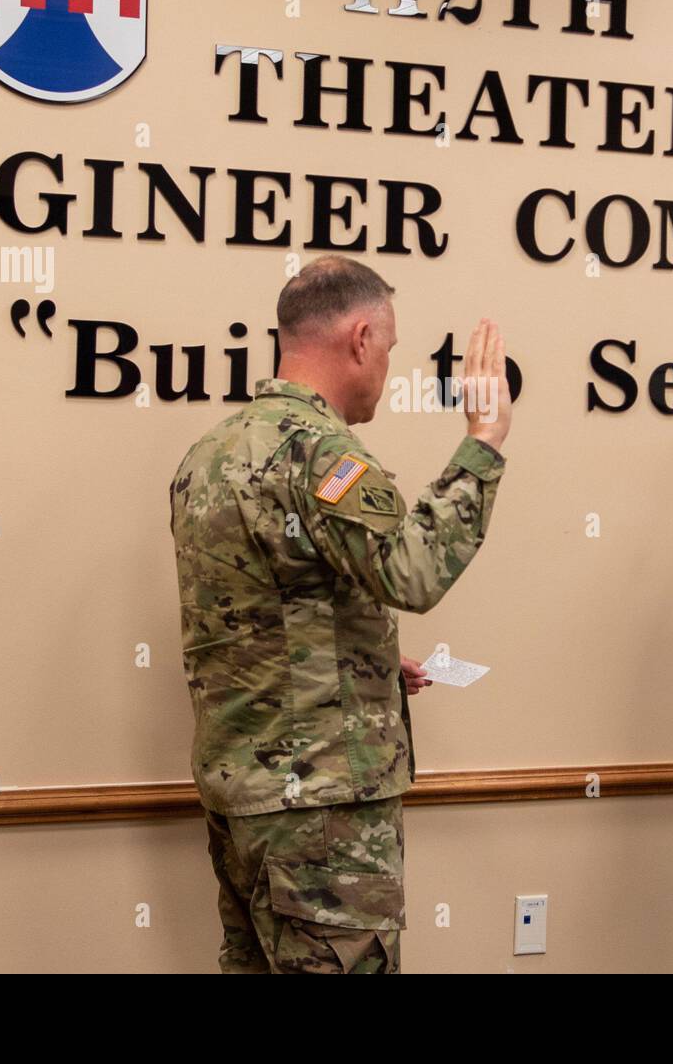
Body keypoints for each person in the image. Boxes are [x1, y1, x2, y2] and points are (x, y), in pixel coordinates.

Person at [168, 254, 511, 973]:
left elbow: (253, 615)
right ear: (360, 338)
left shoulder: (208, 454)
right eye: (388, 349)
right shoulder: (318, 451)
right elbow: (413, 572)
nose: (387, 367)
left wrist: (364, 662)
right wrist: (482, 442)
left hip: (242, 802)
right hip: (320, 811)